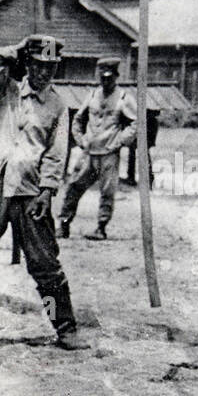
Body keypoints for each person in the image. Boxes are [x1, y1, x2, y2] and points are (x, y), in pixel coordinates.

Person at [0, 35, 90, 349]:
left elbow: (55, 153)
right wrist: (14, 52)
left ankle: (64, 328)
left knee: (45, 265)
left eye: (50, 68)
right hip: (0, 185)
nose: (43, 74)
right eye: (38, 66)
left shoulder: (57, 105)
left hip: (30, 193)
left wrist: (48, 190)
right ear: (27, 64)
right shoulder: (7, 90)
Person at [60, 56, 138, 240]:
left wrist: (120, 141)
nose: (105, 81)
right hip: (89, 151)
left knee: (107, 192)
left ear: (116, 76)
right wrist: (80, 139)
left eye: (109, 77)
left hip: (109, 153)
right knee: (74, 186)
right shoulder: (93, 95)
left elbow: (135, 123)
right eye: (102, 77)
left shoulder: (124, 98)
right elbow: (78, 119)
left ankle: (101, 228)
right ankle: (63, 224)